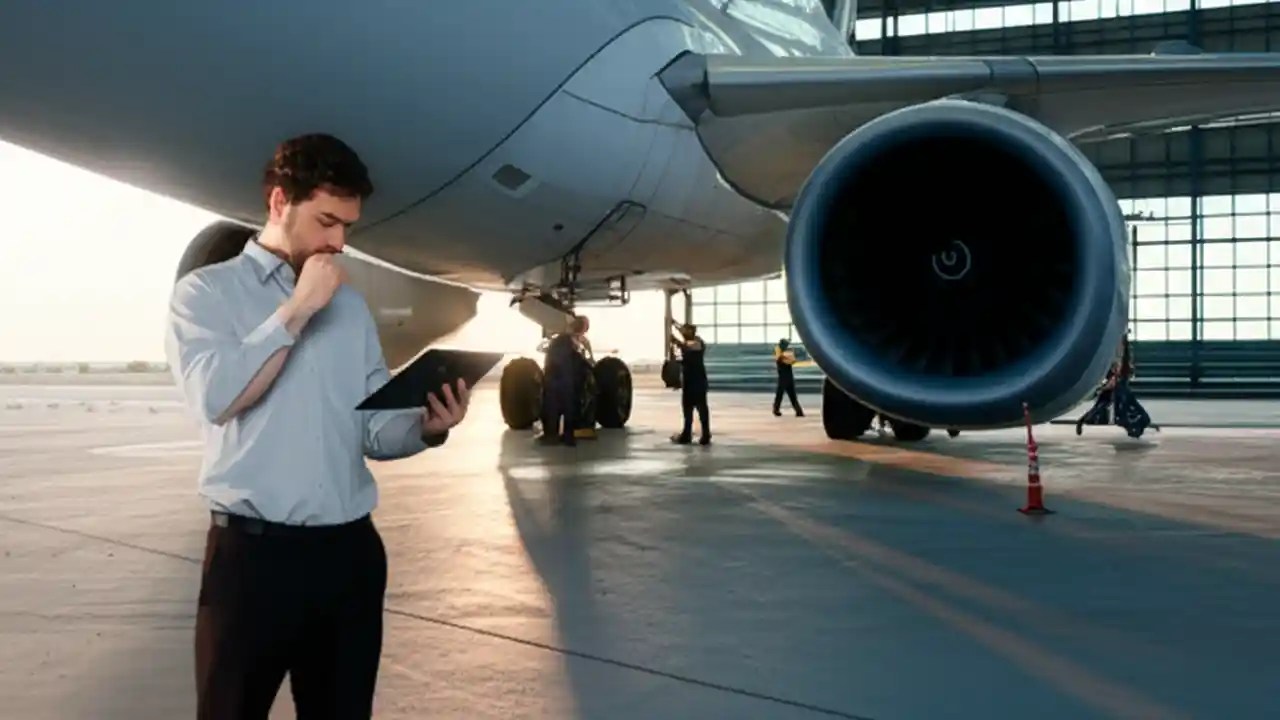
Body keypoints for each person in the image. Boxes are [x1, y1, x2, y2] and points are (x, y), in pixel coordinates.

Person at [164, 133, 471, 720]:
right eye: (327, 221)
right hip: (252, 562)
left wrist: (428, 427)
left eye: (348, 227)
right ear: (280, 203)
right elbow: (218, 397)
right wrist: (297, 309)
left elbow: (373, 431)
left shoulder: (350, 308)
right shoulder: (205, 294)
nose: (338, 242)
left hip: (348, 558)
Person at [541, 315, 589, 446]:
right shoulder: (569, 342)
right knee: (567, 410)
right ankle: (566, 437)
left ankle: (553, 436)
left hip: (557, 381)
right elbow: (576, 363)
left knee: (554, 410)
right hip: (564, 382)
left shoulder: (561, 341)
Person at [671, 323, 711, 445]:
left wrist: (676, 341)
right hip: (689, 382)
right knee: (687, 411)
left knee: (701, 409)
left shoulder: (698, 343)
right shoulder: (688, 344)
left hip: (697, 382)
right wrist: (673, 324)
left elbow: (690, 346)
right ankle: (687, 434)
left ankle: (705, 434)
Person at [772, 338, 804, 417]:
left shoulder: (784, 353)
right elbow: (784, 360)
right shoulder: (781, 354)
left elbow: (792, 361)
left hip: (785, 377)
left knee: (785, 395)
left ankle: (798, 411)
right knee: (785, 395)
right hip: (785, 377)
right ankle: (798, 411)